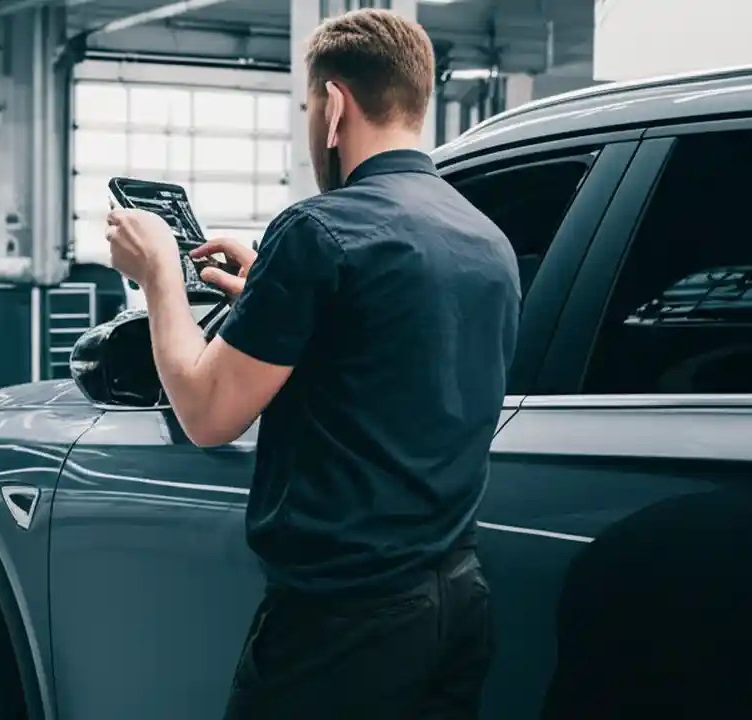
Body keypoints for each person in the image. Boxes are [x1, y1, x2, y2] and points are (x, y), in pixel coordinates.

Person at [104, 8, 520, 720]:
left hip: (343, 627)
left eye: (306, 106)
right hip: (458, 602)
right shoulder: (487, 240)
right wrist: (271, 288)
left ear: (332, 106)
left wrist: (159, 277)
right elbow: (385, 347)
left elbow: (206, 414)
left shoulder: (319, 231)